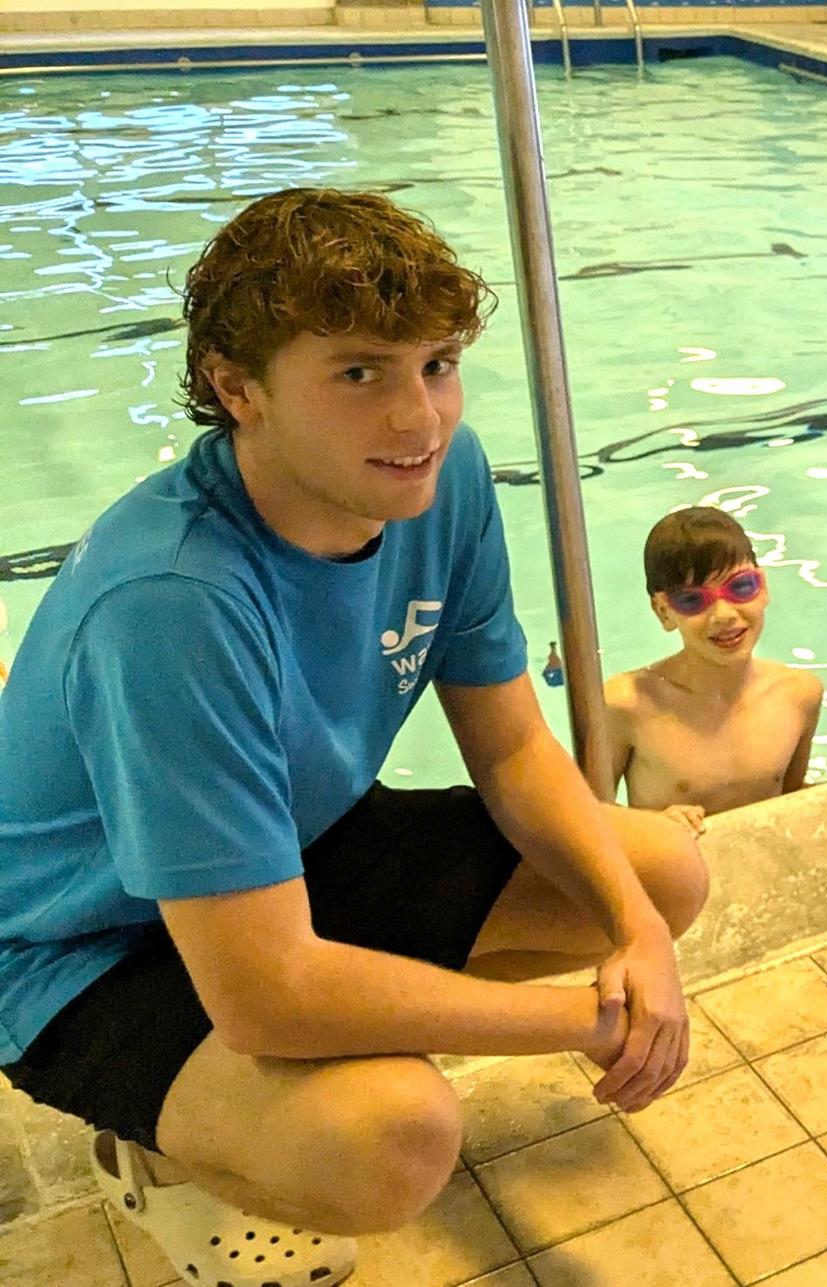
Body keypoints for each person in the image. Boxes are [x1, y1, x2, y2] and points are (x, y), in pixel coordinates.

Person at [0, 190, 707, 1286]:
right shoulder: (174, 603)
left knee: (656, 874)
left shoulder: (440, 482)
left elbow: (513, 750)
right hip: (81, 947)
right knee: (392, 1134)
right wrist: (590, 1021)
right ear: (239, 389)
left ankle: (296, 1069)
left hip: (288, 850)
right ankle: (165, 1147)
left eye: (437, 364)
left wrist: (637, 933)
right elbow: (267, 992)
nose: (419, 419)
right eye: (359, 373)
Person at [605, 507, 824, 834]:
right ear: (663, 611)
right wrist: (650, 827)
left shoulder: (800, 695)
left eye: (741, 587)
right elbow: (584, 819)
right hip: (675, 865)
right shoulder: (627, 704)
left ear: (763, 587)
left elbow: (793, 804)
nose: (724, 615)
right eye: (693, 601)